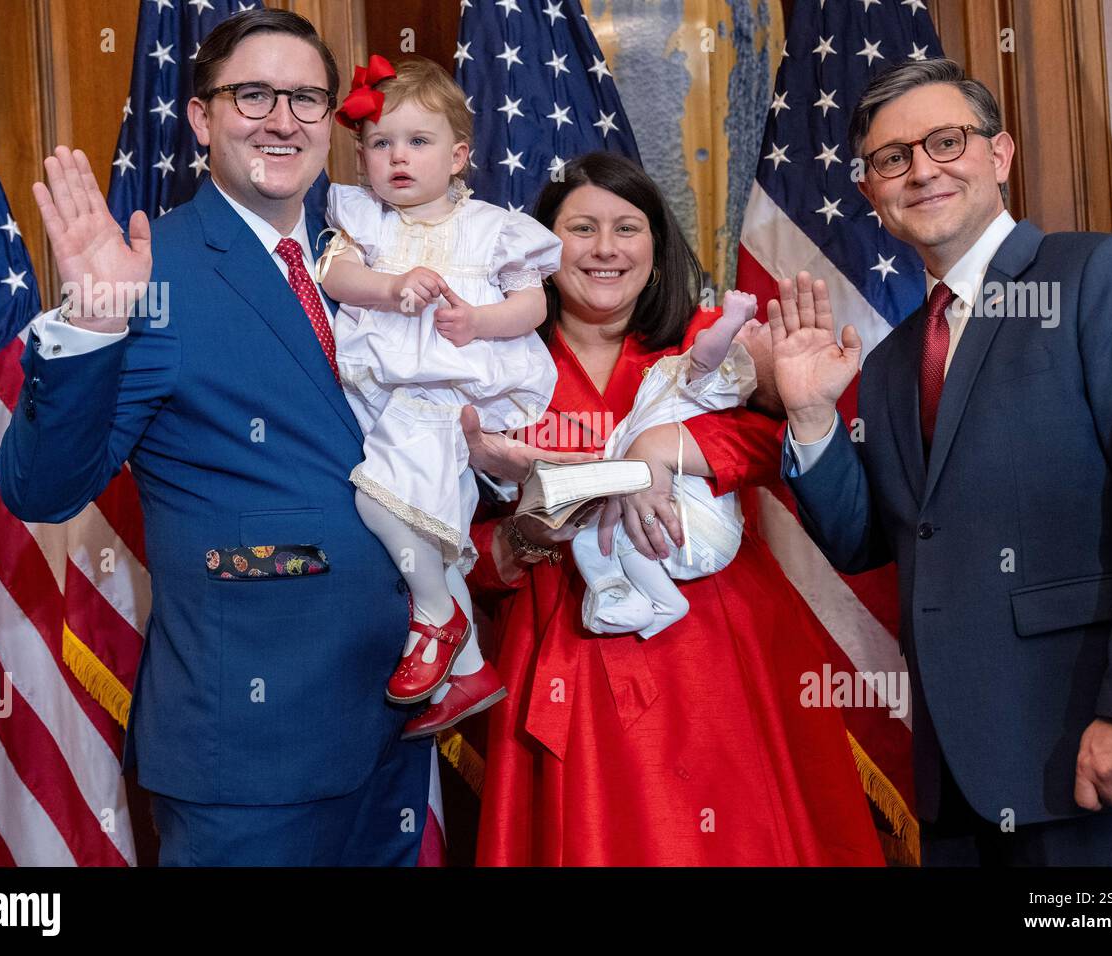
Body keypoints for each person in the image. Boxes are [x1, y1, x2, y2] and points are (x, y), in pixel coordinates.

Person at [0, 10, 573, 866]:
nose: (283, 118)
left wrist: (486, 460)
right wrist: (92, 324)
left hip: (396, 725)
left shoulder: (377, 241)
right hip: (250, 751)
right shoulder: (154, 271)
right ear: (201, 117)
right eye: (253, 94)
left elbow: (408, 439)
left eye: (306, 97)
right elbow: (41, 488)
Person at [769, 58, 1112, 865]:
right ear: (869, 192)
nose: (922, 170)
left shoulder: (1099, 276)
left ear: (999, 155)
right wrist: (809, 415)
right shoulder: (894, 357)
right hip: (958, 786)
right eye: (892, 159)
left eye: (945, 142)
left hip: (1097, 757)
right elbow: (868, 543)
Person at [469, 152, 885, 866]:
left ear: (657, 249)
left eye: (627, 228)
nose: (606, 249)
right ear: (541, 247)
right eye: (582, 228)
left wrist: (662, 447)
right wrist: (511, 544)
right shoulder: (490, 364)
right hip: (563, 645)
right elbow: (440, 526)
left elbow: (769, 440)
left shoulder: (704, 342)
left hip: (712, 649)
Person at [316, 55, 561, 736]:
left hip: (449, 393)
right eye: (380, 144)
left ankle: (436, 616)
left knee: (379, 498)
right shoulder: (365, 219)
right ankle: (471, 667)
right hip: (378, 394)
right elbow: (336, 276)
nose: (398, 157)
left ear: (456, 156)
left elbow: (533, 305)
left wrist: (480, 322)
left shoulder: (493, 227)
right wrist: (392, 288)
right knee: (428, 523)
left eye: (418, 142)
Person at [571, 289, 758, 638]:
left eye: (753, 330)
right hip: (693, 525)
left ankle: (663, 603)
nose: (750, 326)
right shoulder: (679, 378)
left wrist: (733, 319)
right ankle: (627, 597)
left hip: (695, 526)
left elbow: (706, 358)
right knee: (593, 535)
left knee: (613, 534)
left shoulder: (720, 378)